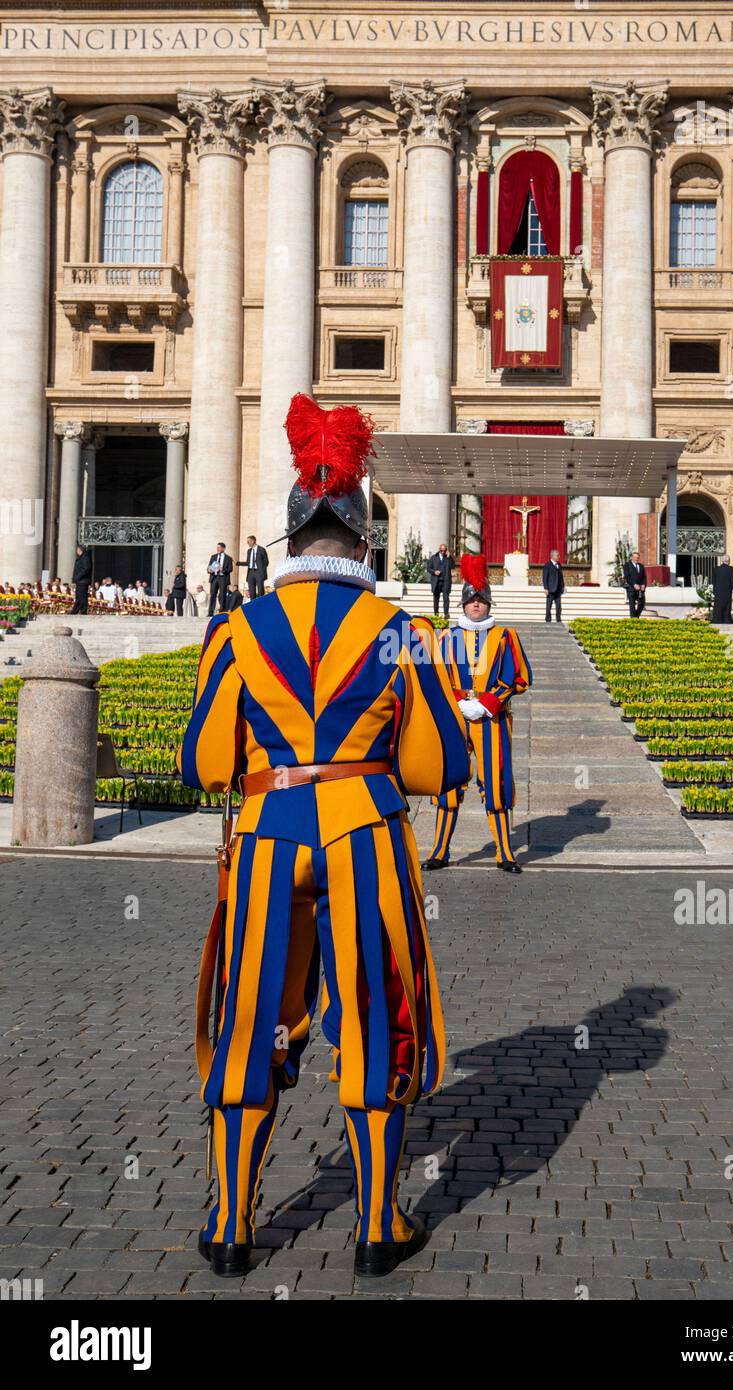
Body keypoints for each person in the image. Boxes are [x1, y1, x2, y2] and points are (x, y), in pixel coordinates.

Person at [178, 393, 469, 1281]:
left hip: (268, 833)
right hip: (363, 833)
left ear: (291, 542)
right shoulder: (399, 632)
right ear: (363, 541)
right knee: (377, 1017)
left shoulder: (236, 628)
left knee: (249, 1021)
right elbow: (443, 764)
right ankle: (380, 1229)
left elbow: (201, 762)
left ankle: (233, 1230)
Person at [423, 552, 532, 875]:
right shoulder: (446, 638)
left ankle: (504, 853)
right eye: (471, 600)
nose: (476, 605)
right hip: (455, 719)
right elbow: (436, 677)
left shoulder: (505, 637)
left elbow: (520, 678)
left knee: (496, 783)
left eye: (481, 600)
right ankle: (440, 850)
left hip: (492, 720)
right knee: (448, 783)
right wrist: (457, 701)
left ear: (488, 604)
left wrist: (487, 702)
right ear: (462, 604)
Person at [426, 543, 455, 619]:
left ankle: (446, 614)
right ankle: (436, 614)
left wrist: (449, 557)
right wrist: (434, 572)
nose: (443, 552)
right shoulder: (433, 558)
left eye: (444, 551)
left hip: (445, 581)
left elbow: (453, 566)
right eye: (441, 551)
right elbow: (428, 568)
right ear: (439, 550)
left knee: (446, 598)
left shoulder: (448, 558)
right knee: (436, 599)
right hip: (436, 581)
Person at [207, 543, 232, 616]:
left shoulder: (228, 558)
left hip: (223, 578)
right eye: (217, 547)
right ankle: (210, 612)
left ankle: (222, 611)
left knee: (222, 595)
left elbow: (230, 569)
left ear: (223, 549)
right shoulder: (213, 557)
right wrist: (209, 570)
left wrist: (222, 570)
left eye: (219, 547)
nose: (217, 549)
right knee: (212, 595)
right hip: (214, 577)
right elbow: (209, 566)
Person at [240, 535, 269, 600]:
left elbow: (266, 562)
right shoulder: (249, 551)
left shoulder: (261, 549)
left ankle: (261, 604)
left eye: (248, 541)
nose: (247, 543)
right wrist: (238, 563)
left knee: (260, 589)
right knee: (251, 590)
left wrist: (261, 570)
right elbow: (248, 562)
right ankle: (253, 604)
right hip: (250, 572)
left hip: (259, 572)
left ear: (253, 541)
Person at [542, 548, 565, 623]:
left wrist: (563, 586)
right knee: (549, 606)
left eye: (559, 555)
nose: (559, 557)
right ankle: (548, 620)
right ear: (552, 556)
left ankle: (558, 620)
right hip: (550, 589)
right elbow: (545, 577)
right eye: (558, 555)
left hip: (558, 590)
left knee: (558, 606)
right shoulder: (547, 565)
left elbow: (561, 576)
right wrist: (545, 588)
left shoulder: (559, 565)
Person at [712, 555, 733, 623]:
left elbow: (714, 582)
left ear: (722, 561)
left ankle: (717, 620)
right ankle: (726, 620)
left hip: (718, 592)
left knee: (718, 607)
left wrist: (714, 591)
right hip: (727, 592)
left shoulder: (716, 569)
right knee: (727, 607)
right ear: (728, 561)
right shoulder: (731, 569)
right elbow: (732, 580)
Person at [623, 550, 647, 619]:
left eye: (637, 557)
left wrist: (643, 585)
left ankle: (636, 617)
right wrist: (634, 584)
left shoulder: (641, 566)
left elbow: (644, 577)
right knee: (632, 605)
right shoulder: (627, 565)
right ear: (632, 558)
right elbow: (627, 576)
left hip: (640, 589)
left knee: (642, 603)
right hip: (631, 589)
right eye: (635, 557)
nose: (636, 559)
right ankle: (633, 619)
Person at [70, 545, 92, 615]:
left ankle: (82, 611)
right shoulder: (81, 558)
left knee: (82, 597)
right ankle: (75, 611)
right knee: (79, 596)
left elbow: (86, 569)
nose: (76, 551)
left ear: (79, 550)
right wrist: (75, 579)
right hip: (80, 581)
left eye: (77, 550)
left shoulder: (85, 558)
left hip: (83, 580)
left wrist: (77, 577)